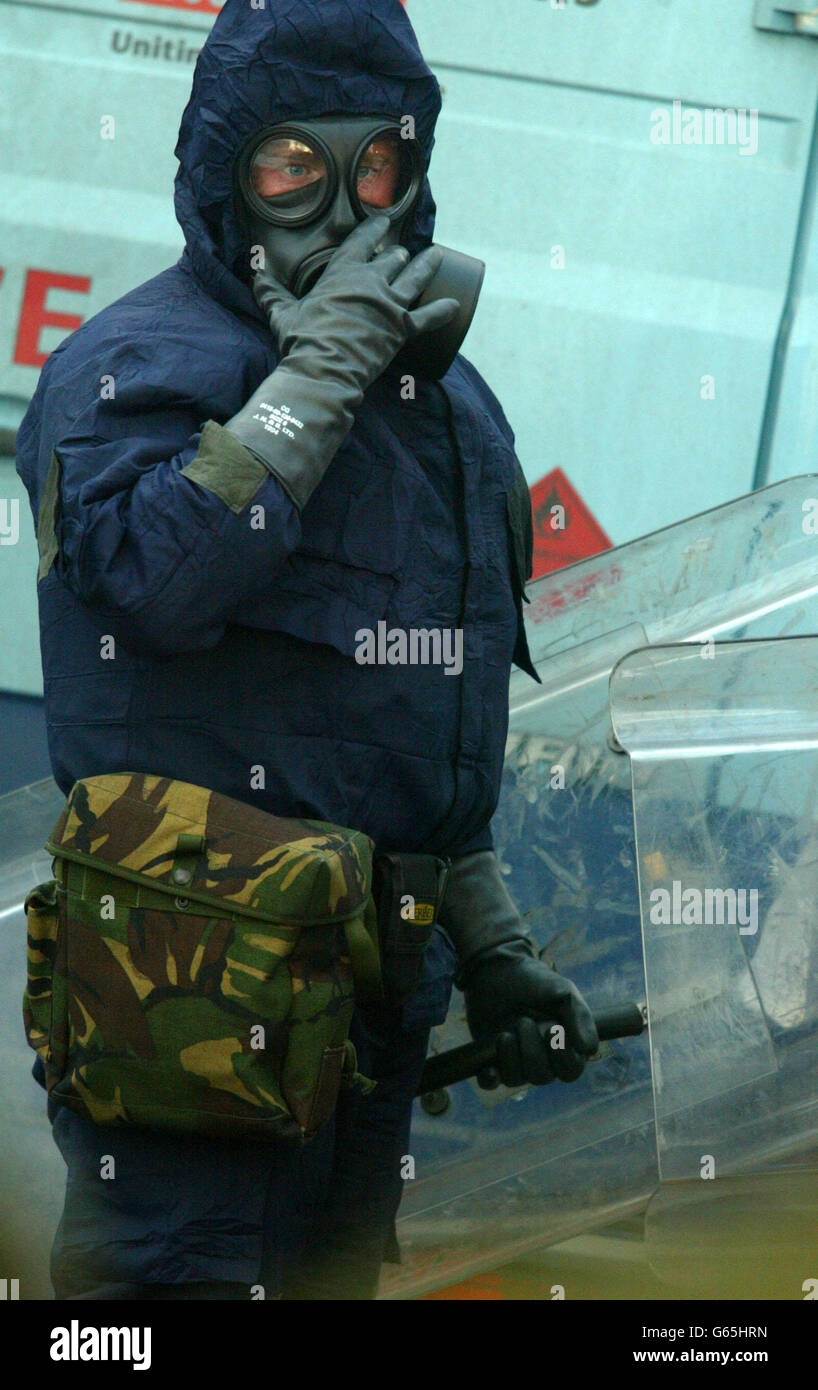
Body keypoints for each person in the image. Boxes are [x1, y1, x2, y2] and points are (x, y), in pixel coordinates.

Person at [15, 0, 598, 1301]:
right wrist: (312, 378)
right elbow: (159, 580)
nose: (337, 206)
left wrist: (492, 947)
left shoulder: (447, 403)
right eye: (290, 165)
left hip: (363, 1018)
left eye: (374, 167)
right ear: (223, 167)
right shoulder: (129, 369)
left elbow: (423, 727)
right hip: (185, 1016)